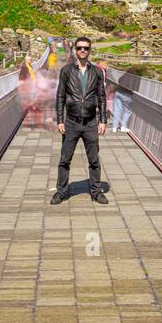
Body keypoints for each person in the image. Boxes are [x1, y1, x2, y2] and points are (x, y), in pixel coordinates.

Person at [52, 36, 108, 204]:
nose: (83, 50)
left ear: (89, 50)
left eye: (86, 48)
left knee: (94, 160)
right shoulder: (66, 71)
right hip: (71, 122)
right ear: (75, 50)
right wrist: (60, 120)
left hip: (90, 122)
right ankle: (61, 192)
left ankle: (96, 192)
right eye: (79, 48)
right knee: (64, 159)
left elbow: (102, 97)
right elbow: (60, 96)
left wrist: (103, 120)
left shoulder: (97, 72)